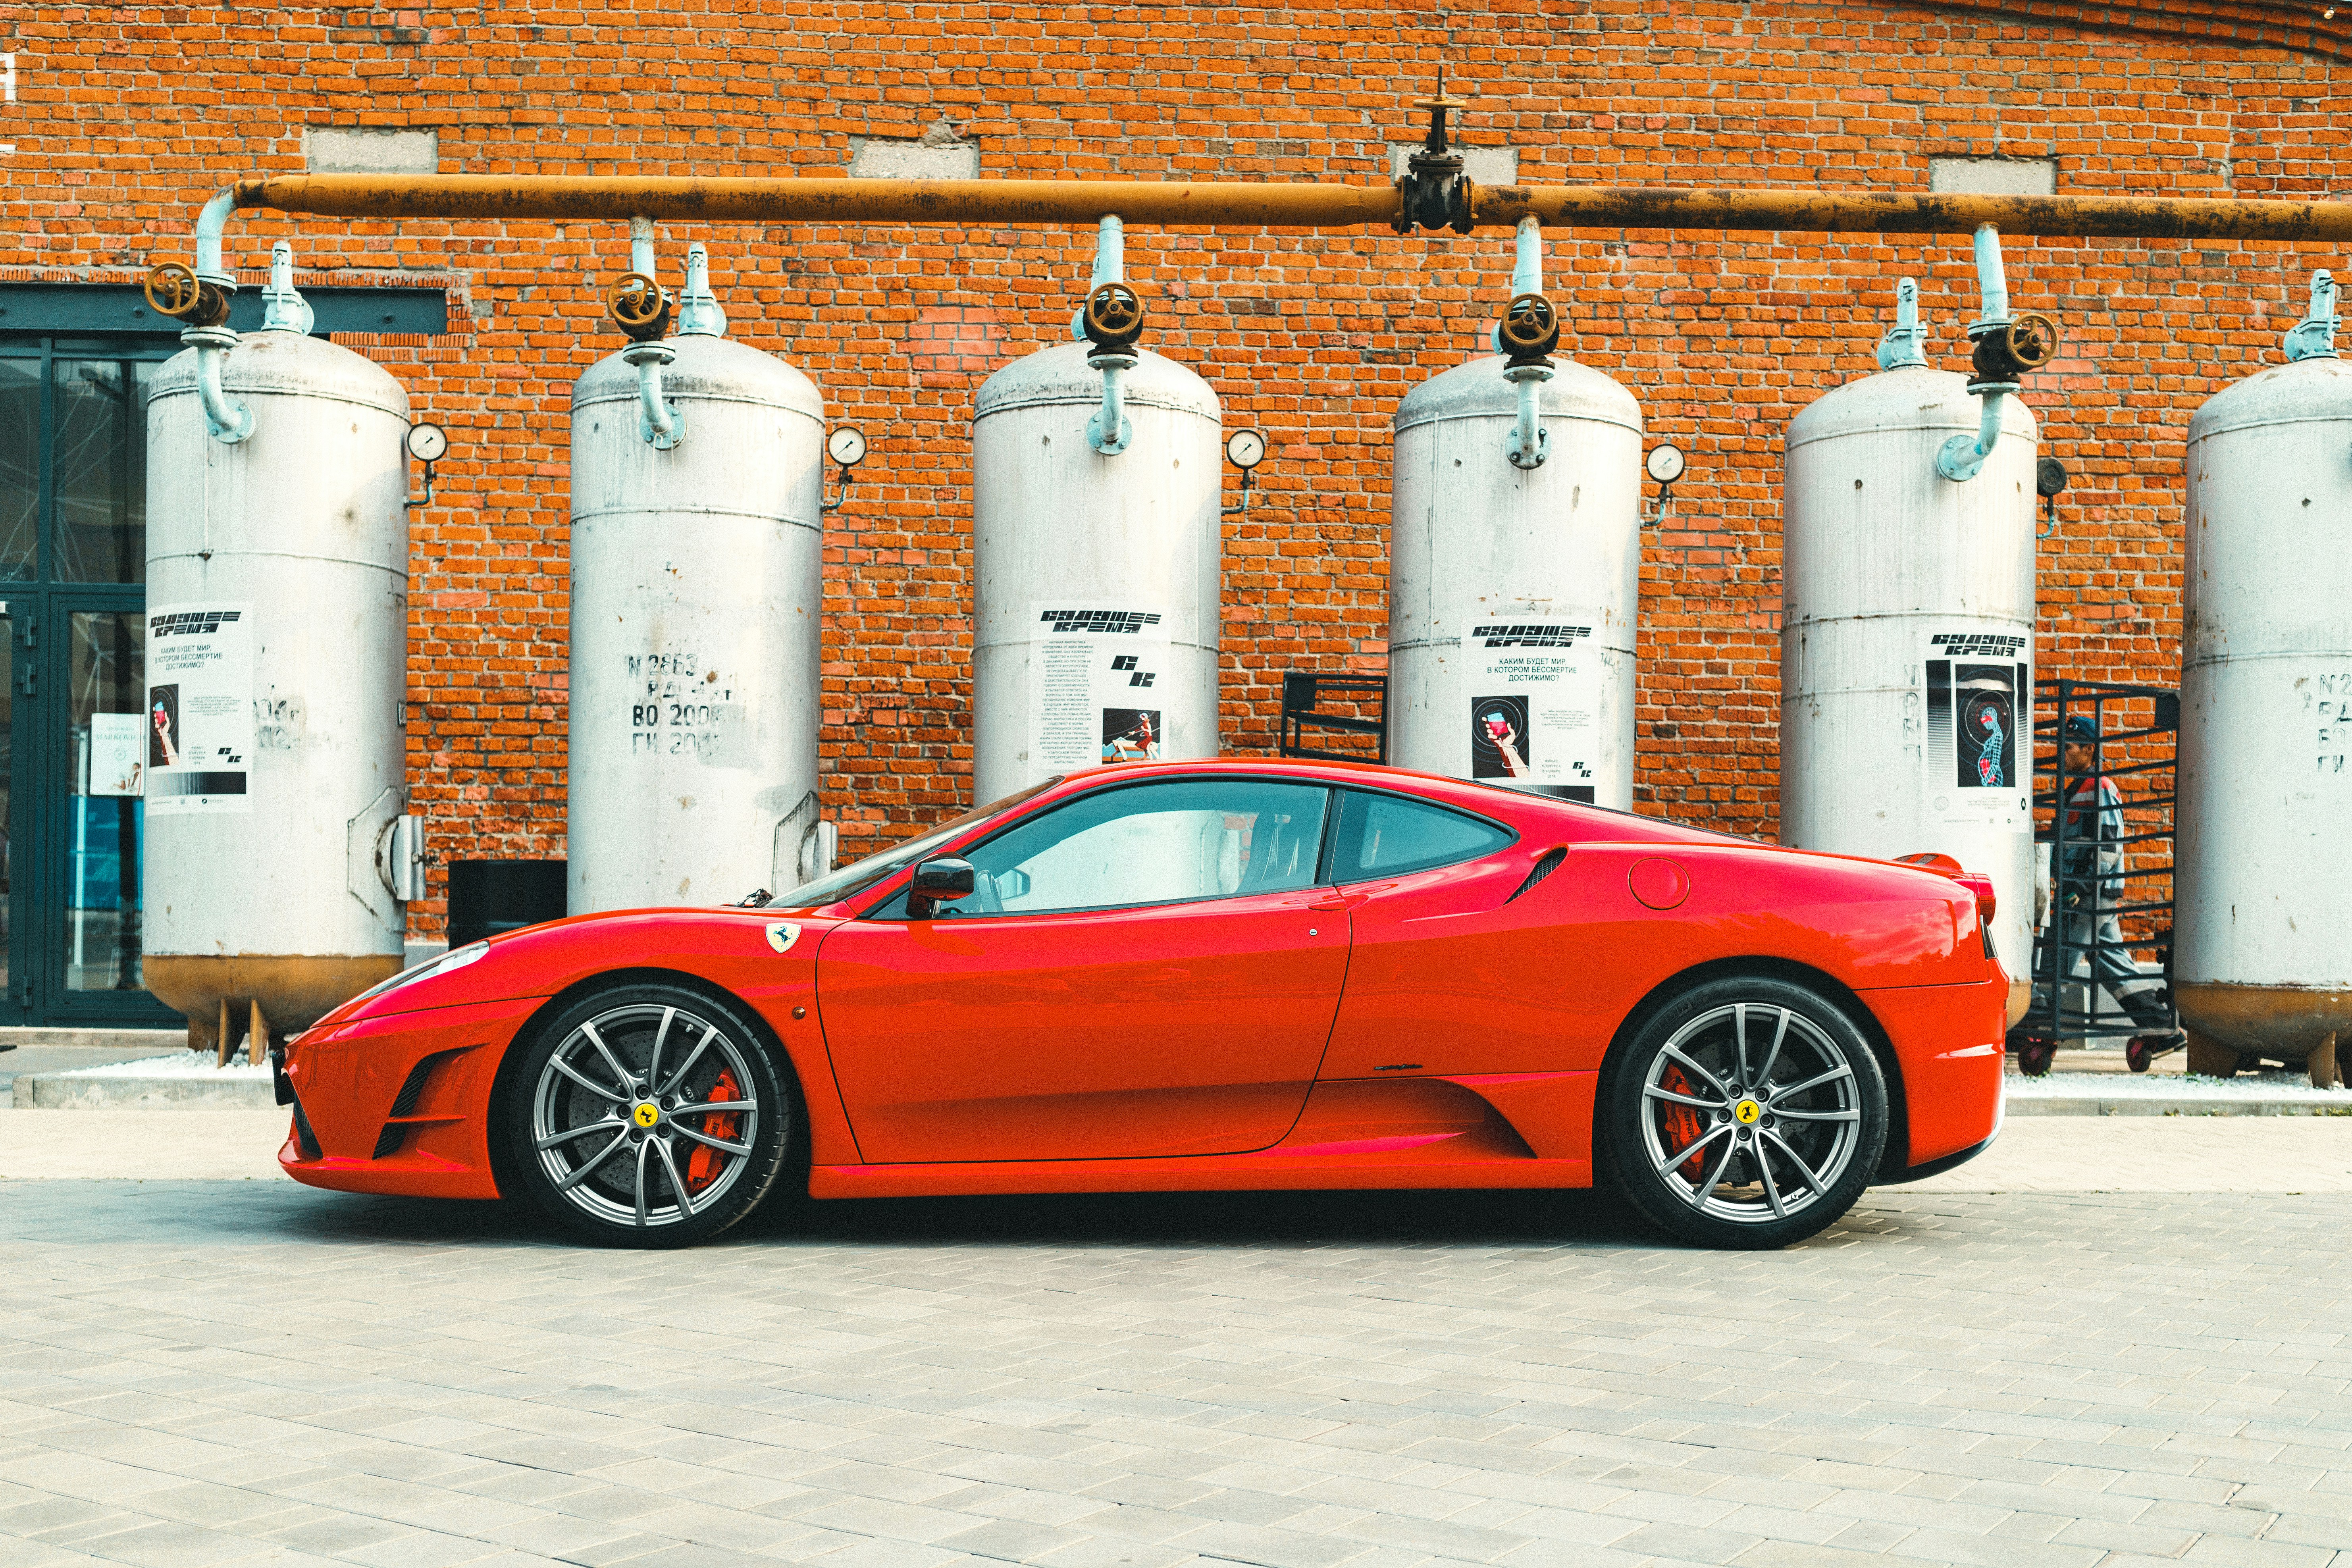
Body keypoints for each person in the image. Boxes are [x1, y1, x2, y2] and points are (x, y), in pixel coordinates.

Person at [2042, 715, 2171, 1034]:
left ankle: (2039, 1022)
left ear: (2089, 749)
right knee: (2110, 964)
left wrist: (2082, 884)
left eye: (2068, 746)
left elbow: (2108, 846)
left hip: (2088, 893)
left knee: (2057, 957)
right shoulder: (2076, 789)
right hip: (2086, 892)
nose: (2061, 752)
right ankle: (2159, 1026)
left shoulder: (2099, 788)